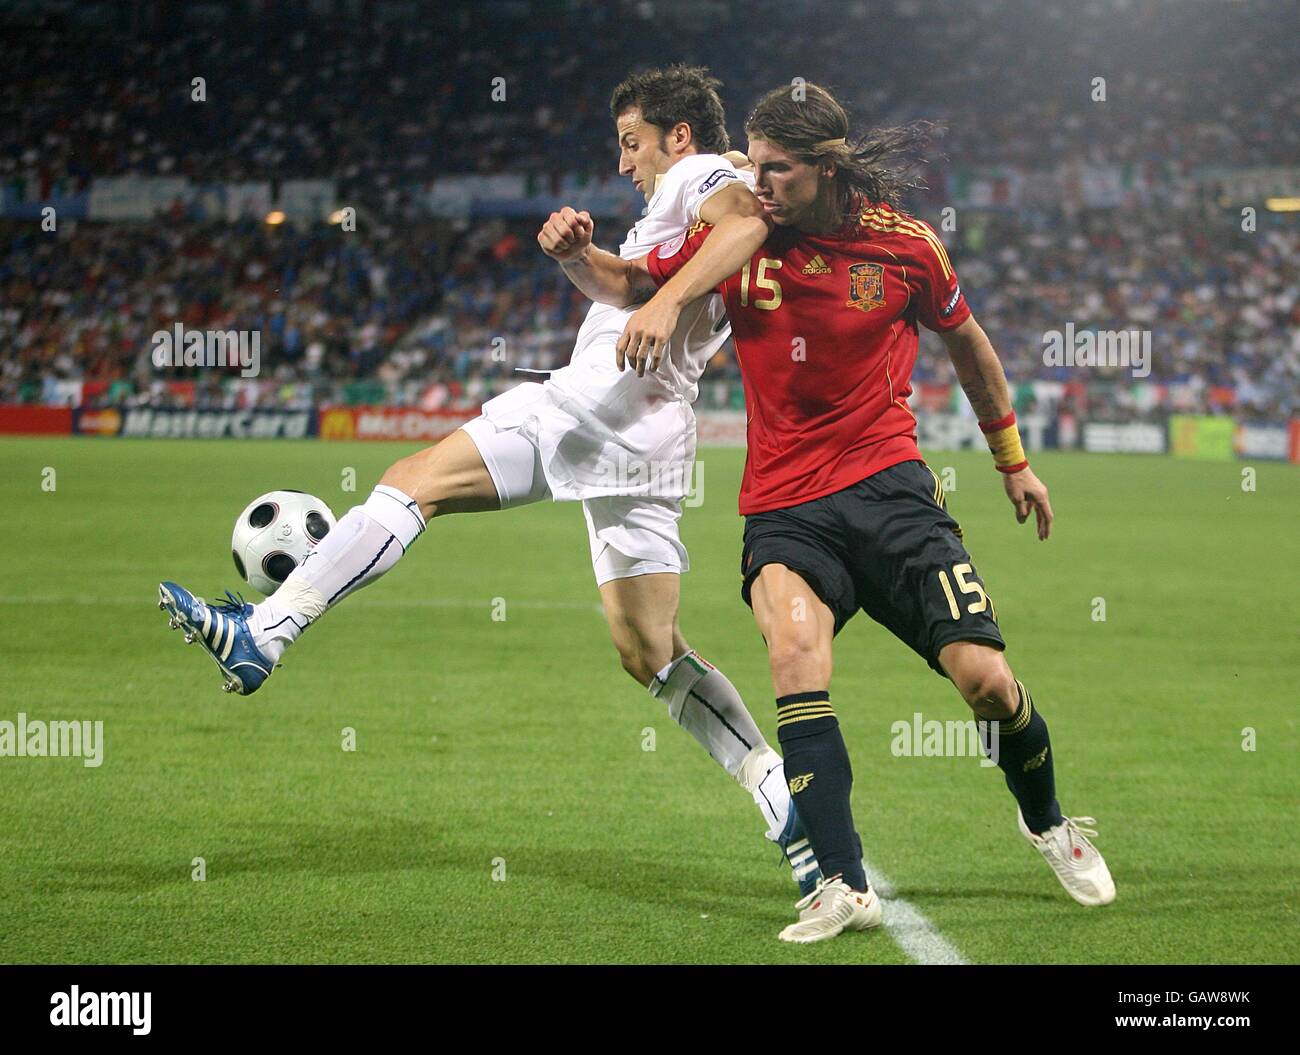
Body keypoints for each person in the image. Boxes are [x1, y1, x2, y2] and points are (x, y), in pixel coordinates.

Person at [158, 66, 823, 894]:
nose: (623, 164)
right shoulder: (681, 199)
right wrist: (583, 259)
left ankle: (266, 632)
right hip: (651, 434)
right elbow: (630, 287)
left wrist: (659, 306)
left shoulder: (700, 174)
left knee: (413, 482)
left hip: (597, 403)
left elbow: (742, 229)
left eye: (630, 142)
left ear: (677, 136)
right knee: (649, 649)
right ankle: (781, 798)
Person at [627, 82, 1115, 943]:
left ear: (826, 167)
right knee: (794, 655)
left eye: (775, 166)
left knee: (986, 683)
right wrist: (575, 257)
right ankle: (844, 884)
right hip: (784, 503)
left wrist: (1013, 461)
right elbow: (638, 283)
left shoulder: (906, 248)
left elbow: (970, 348)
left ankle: (1046, 819)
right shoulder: (736, 233)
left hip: (889, 491)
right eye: (750, 157)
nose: (756, 177)